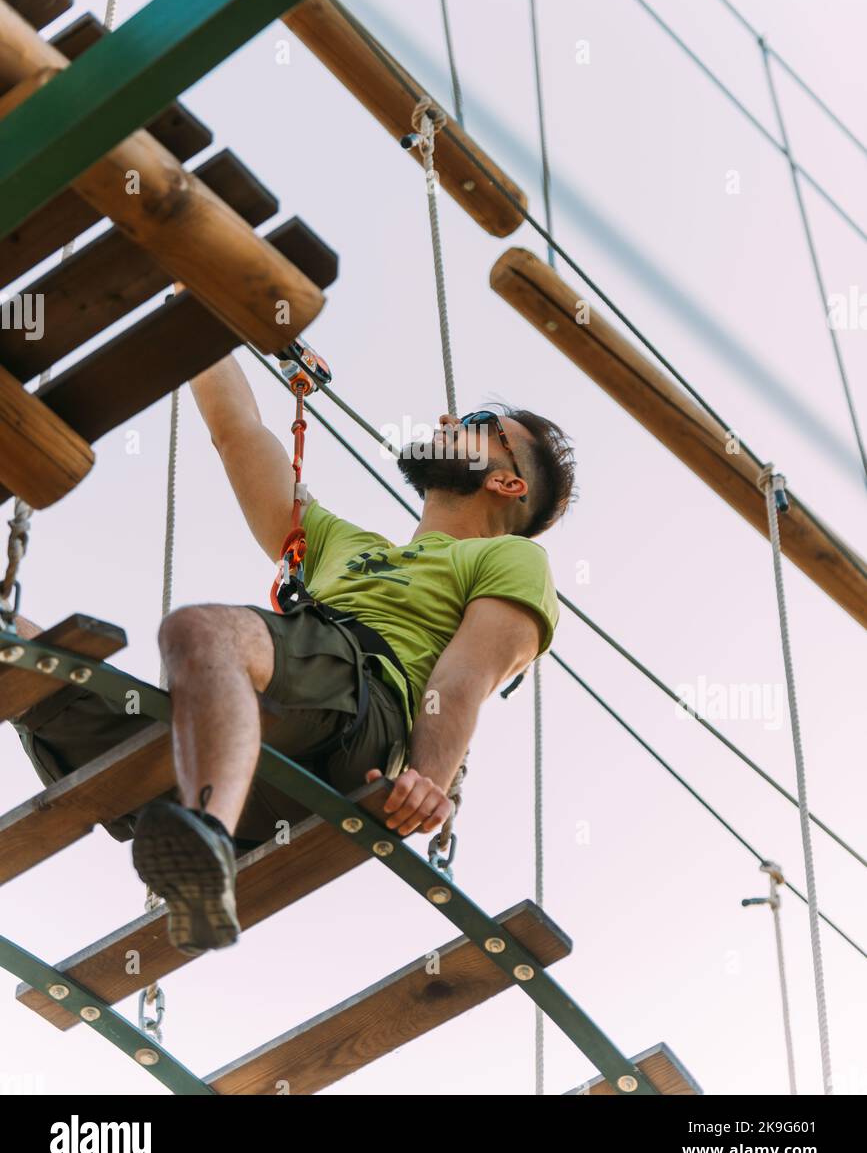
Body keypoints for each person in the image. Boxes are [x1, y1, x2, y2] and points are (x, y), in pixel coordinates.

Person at [8, 351, 576, 959]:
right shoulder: (338, 540)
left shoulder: (512, 560)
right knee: (17, 649)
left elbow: (464, 676)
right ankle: (204, 838)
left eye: (478, 424)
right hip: (257, 759)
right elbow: (238, 433)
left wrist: (428, 781)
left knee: (204, 634)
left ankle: (204, 839)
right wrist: (198, 313)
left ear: (507, 481)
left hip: (359, 716)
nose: (447, 419)